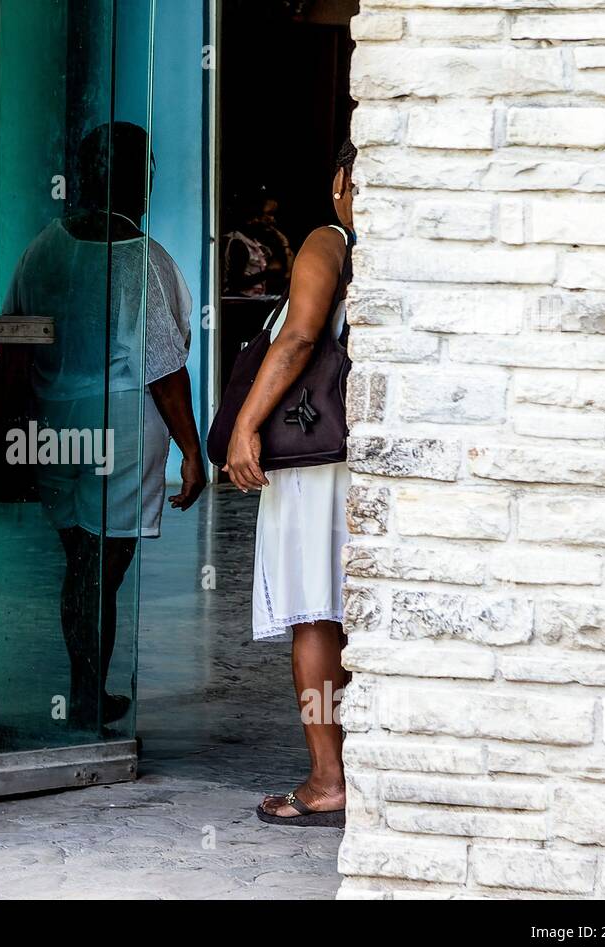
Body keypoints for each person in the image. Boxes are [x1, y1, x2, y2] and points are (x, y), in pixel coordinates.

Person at [2, 122, 207, 731]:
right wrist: (192, 452)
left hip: (55, 423)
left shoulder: (44, 246)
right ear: (128, 178)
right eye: (143, 168)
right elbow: (164, 371)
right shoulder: (142, 260)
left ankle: (85, 690)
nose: (147, 180)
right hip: (120, 427)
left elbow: (12, 349)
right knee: (101, 570)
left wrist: (3, 433)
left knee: (83, 563)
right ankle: (88, 695)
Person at [224, 138, 358, 827]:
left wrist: (246, 423)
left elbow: (301, 334)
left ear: (341, 178)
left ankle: (327, 778)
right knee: (349, 610)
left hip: (313, 463)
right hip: (360, 454)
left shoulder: (327, 240)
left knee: (315, 613)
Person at [221, 190, 293, 298]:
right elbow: (235, 283)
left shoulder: (257, 245)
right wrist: (267, 274)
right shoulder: (237, 243)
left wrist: (284, 244)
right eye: (269, 214)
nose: (272, 220)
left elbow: (287, 273)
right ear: (254, 216)